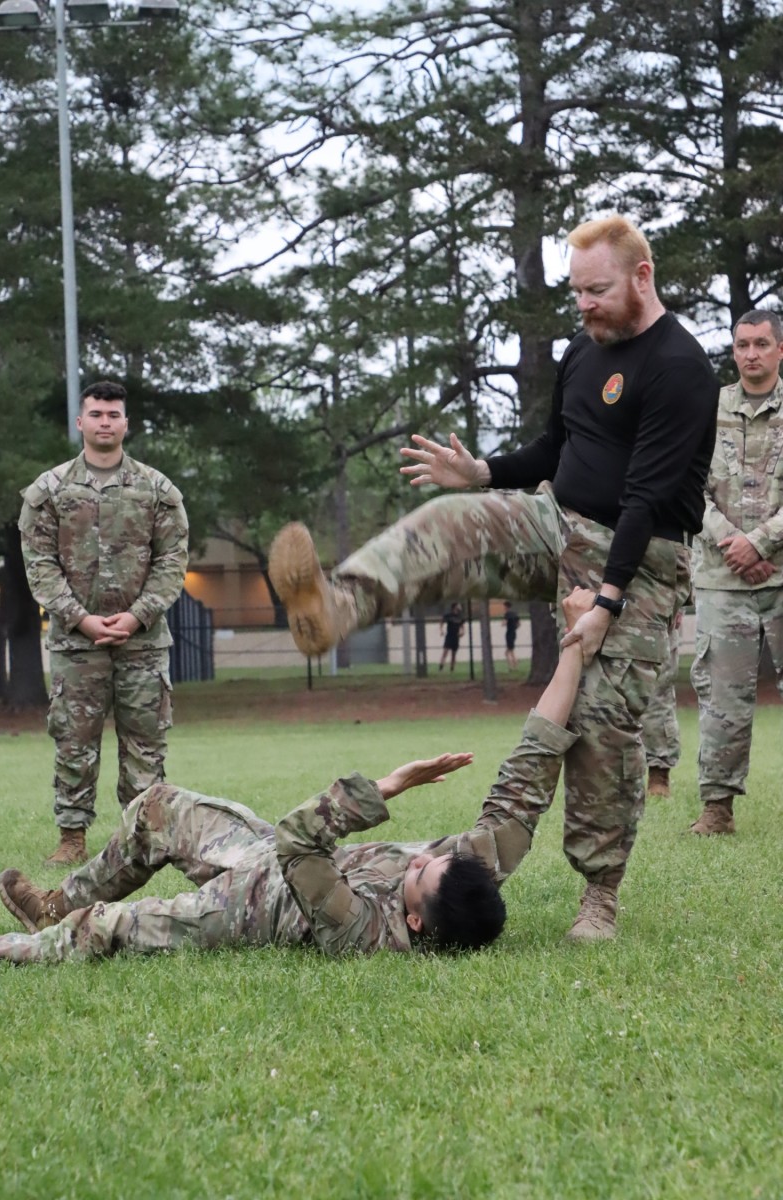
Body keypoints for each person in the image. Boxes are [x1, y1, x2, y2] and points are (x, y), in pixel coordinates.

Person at [269, 215, 719, 940]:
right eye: (576, 292)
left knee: (599, 727)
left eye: (596, 290)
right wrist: (482, 473)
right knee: (455, 519)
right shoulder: (583, 350)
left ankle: (599, 894)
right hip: (556, 520)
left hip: (640, 562)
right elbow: (555, 447)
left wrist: (604, 603)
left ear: (642, 277)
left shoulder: (681, 369)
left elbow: (644, 499)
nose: (584, 306)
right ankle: (334, 605)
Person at [0, 591, 591, 966]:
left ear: (414, 923)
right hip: (258, 852)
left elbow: (299, 839)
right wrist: (575, 647)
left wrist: (386, 788)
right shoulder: (472, 869)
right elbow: (530, 770)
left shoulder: (359, 930)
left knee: (105, 929)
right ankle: (53, 905)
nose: (417, 859)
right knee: (157, 808)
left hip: (243, 909)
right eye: (429, 858)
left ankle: (17, 946)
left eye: (420, 873)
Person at [19, 380, 189, 867]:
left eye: (114, 414)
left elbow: (172, 561)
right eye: (96, 414)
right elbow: (40, 564)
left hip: (144, 642)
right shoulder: (50, 491)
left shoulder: (157, 490)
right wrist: (81, 619)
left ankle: (146, 838)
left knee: (145, 743)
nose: (105, 422)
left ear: (126, 423)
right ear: (80, 422)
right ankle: (72, 838)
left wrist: (138, 616)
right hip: (77, 644)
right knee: (74, 741)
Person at [689, 309, 783, 835]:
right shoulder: (707, 409)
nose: (751, 354)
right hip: (723, 579)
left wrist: (761, 541)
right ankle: (717, 808)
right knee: (722, 698)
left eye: (762, 344)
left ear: (780, 350)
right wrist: (736, 545)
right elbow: (688, 486)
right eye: (742, 344)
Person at [641, 611, 683, 798]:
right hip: (590, 591)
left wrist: (679, 600)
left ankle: (659, 773)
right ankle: (603, 773)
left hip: (653, 598)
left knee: (658, 689)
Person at [439, 602, 465, 671]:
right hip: (449, 636)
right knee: (445, 651)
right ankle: (441, 665)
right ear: (454, 607)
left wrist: (462, 632)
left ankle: (452, 668)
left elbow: (462, 626)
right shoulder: (449, 615)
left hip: (456, 637)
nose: (460, 607)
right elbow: (442, 621)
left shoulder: (460, 617)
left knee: (453, 653)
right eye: (458, 606)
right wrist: (441, 630)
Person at [503, 601, 520, 671]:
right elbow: (519, 624)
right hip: (514, 633)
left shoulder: (507, 614)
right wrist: (514, 627)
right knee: (508, 652)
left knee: (510, 651)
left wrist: (503, 623)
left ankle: (515, 664)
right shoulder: (515, 614)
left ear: (506, 607)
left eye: (504, 606)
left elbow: (504, 622)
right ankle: (512, 666)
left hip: (509, 633)